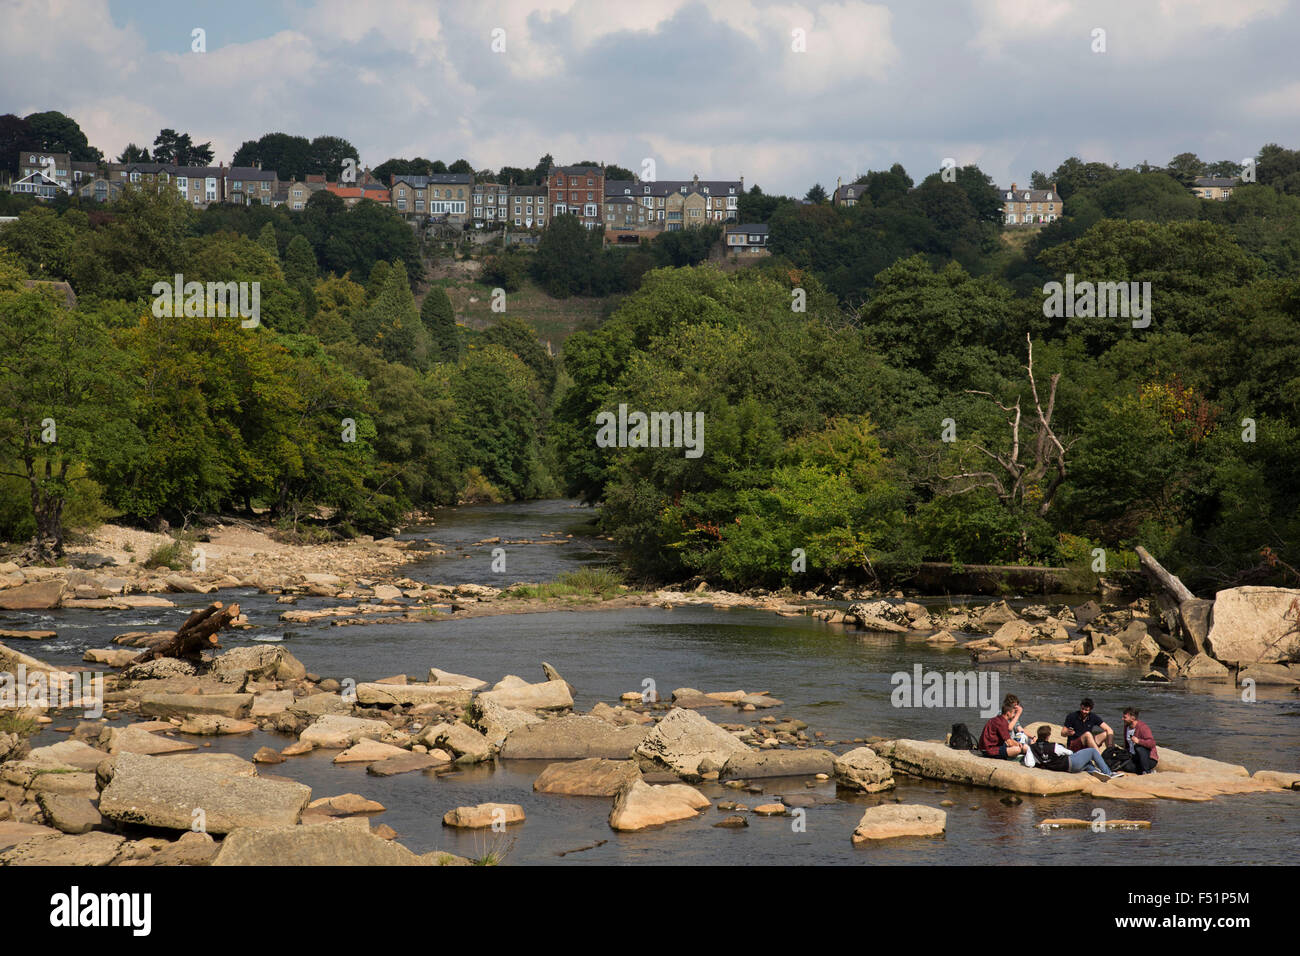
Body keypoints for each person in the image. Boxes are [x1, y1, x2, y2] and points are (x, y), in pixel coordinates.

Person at [1029, 724, 1121, 782]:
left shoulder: (1032, 748)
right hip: (1070, 764)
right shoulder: (1054, 746)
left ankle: (1093, 770)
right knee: (1091, 752)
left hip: (1064, 769)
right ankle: (1108, 773)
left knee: (1086, 762)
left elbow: (1030, 763)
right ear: (1048, 736)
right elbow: (1069, 752)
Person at [980, 694, 1030, 759]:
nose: (1014, 714)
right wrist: (1018, 745)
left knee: (1023, 747)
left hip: (993, 746)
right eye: (1013, 713)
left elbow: (1009, 739)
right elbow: (1009, 742)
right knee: (1017, 750)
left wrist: (1018, 744)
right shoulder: (1002, 722)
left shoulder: (999, 719)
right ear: (1008, 713)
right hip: (989, 749)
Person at [1122, 707, 1159, 774]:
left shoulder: (1143, 727)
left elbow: (1152, 743)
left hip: (1148, 759)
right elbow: (1127, 745)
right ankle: (1141, 770)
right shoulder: (1126, 727)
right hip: (1134, 757)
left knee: (1138, 748)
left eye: (1125, 717)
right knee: (1126, 767)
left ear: (1132, 718)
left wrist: (1139, 741)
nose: (1122, 719)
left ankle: (1147, 771)